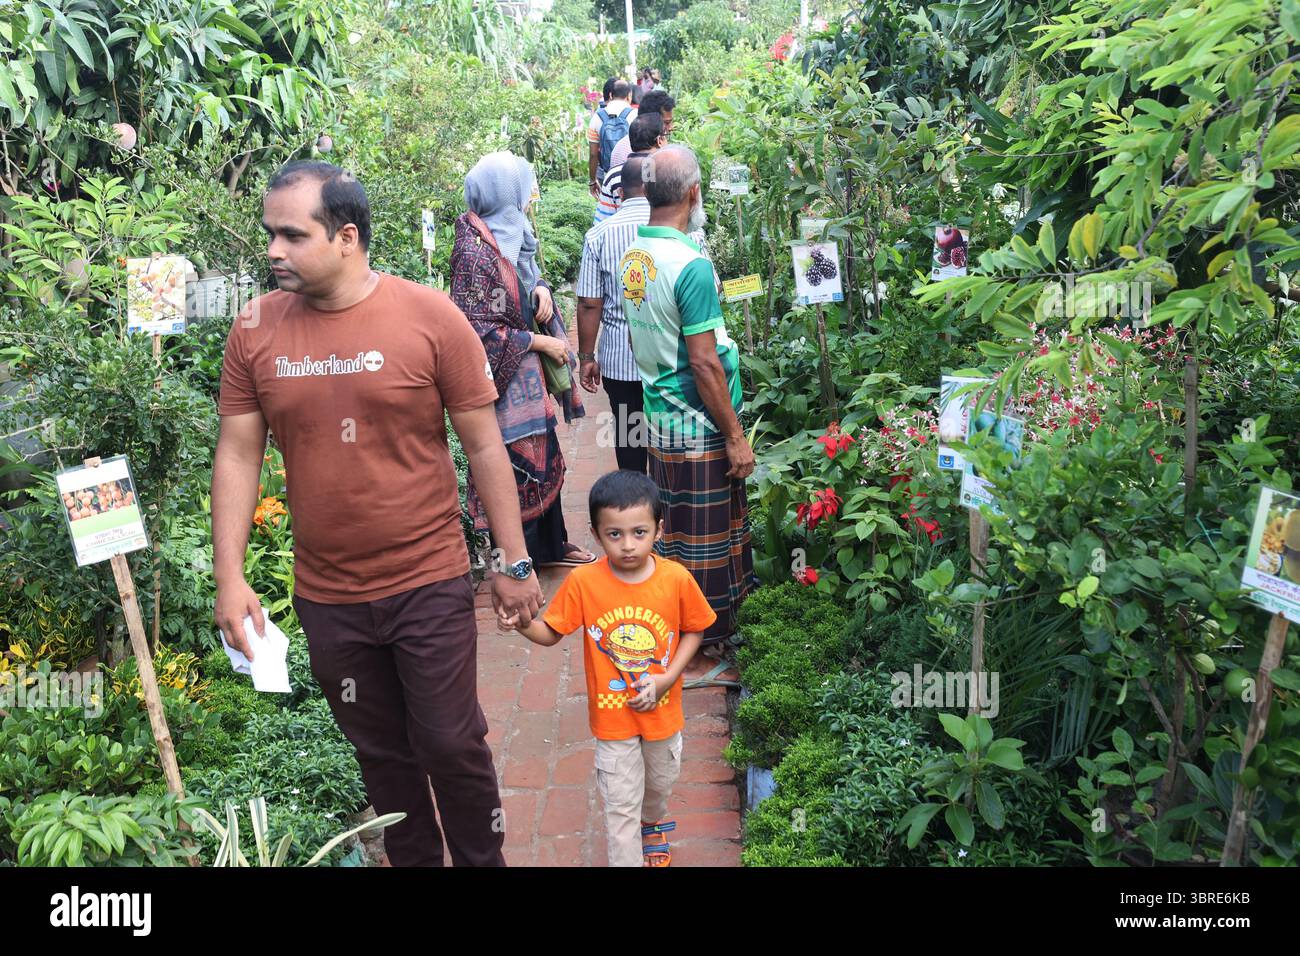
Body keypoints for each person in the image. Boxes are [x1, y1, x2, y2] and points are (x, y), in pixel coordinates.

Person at [213, 161, 545, 867]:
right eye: (270, 234)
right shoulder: (254, 329)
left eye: (292, 235)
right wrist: (229, 577)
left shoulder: (429, 317)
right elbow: (239, 454)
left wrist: (514, 561)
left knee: (451, 741)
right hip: (328, 595)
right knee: (381, 753)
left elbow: (485, 445)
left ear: (346, 237)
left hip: (428, 579)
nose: (273, 250)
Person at [500, 470, 713, 867]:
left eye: (639, 532)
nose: (628, 545)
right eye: (614, 534)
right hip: (613, 720)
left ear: (658, 529)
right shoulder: (584, 583)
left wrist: (669, 677)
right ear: (596, 535)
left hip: (663, 714)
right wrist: (522, 624)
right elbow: (551, 632)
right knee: (620, 807)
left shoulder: (675, 580)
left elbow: (695, 630)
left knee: (660, 784)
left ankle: (652, 822)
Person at [618, 145, 756, 645]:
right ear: (693, 193)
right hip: (699, 422)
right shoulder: (689, 265)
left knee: (675, 532)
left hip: (659, 416)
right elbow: (703, 362)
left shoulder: (635, 255)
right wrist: (735, 436)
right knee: (706, 538)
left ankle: (678, 623)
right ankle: (705, 637)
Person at [451, 151, 596, 569]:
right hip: (504, 386)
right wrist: (538, 342)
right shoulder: (474, 252)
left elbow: (526, 279)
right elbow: (476, 331)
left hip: (528, 384)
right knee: (511, 465)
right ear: (504, 191)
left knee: (544, 454)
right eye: (521, 185)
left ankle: (553, 546)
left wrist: (543, 288)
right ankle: (517, 559)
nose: (529, 194)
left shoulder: (511, 231)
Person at [577, 149, 709, 475]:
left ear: (620, 191)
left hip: (621, 362)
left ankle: (635, 499)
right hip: (670, 360)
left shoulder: (599, 235)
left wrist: (587, 357)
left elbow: (590, 303)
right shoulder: (685, 232)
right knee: (674, 445)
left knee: (630, 442)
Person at [593, 112, 665, 225]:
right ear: (659, 140)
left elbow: (602, 220)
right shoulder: (667, 172)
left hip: (621, 233)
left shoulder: (614, 175)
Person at [606, 89, 676, 181]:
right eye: (666, 123)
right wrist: (664, 153)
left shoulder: (631, 143)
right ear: (651, 119)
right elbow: (648, 184)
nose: (671, 127)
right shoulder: (643, 152)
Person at [588, 80, 637, 201]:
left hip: (608, 176)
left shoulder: (597, 118)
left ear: (610, 95)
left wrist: (592, 181)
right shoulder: (636, 116)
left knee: (610, 208)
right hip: (632, 175)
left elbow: (593, 154)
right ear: (629, 95)